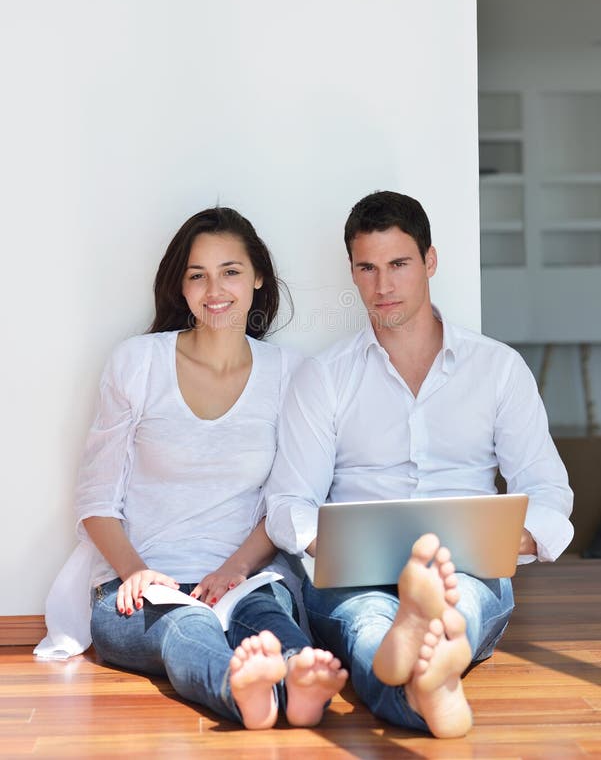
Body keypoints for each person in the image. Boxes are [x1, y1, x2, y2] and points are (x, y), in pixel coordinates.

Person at [264, 190, 573, 738]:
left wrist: (508, 540)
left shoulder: (498, 369)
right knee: (367, 622)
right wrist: (327, 543)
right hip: (354, 577)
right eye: (368, 268)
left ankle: (419, 661)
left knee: (457, 605)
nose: (383, 286)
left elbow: (548, 490)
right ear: (353, 272)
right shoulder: (325, 377)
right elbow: (289, 501)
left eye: (399, 264)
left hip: (466, 571)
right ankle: (432, 680)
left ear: (430, 261)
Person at [39, 207, 347, 730]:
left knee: (268, 619)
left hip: (245, 577)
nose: (214, 290)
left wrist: (236, 569)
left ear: (258, 277)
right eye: (197, 275)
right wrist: (135, 571)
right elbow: (95, 500)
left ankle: (300, 683)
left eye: (230, 271)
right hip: (137, 586)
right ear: (180, 287)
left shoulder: (290, 374)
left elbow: (287, 499)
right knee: (187, 628)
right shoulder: (137, 362)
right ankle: (241, 692)